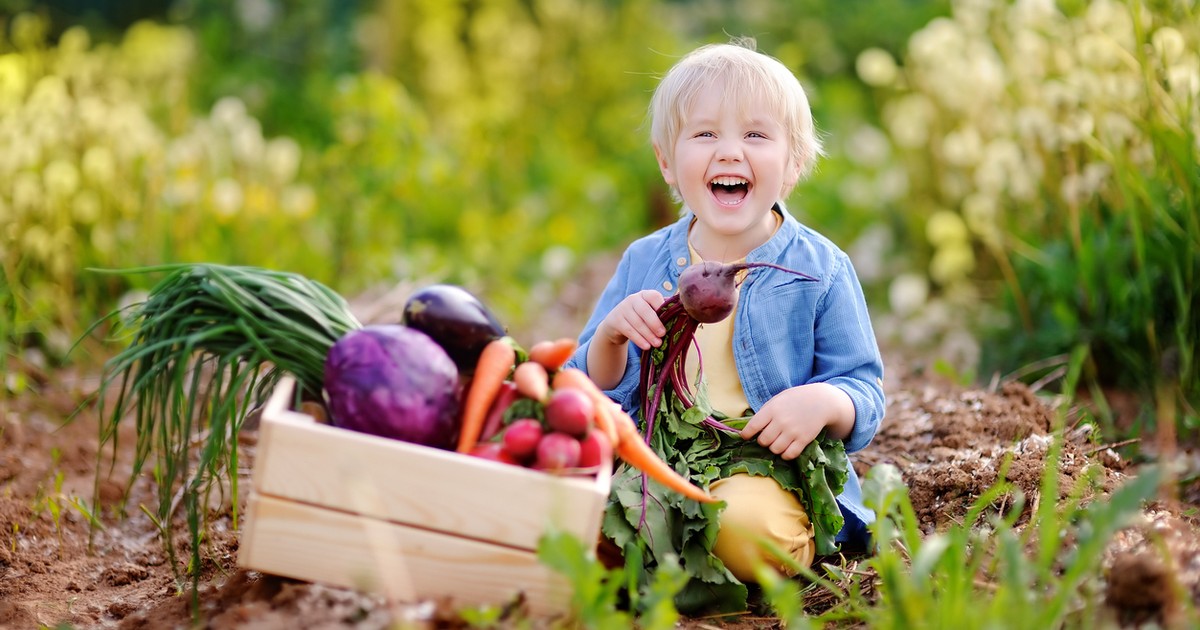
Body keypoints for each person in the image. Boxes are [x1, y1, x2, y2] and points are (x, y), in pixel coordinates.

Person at [566, 38, 885, 600]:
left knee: (744, 527)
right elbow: (588, 386)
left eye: (756, 136)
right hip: (655, 461)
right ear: (667, 162)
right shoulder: (645, 261)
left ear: (793, 164)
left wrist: (823, 403)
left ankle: (715, 550)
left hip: (762, 466)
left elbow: (864, 389)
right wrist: (612, 336)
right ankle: (664, 549)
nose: (731, 153)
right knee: (571, 507)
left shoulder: (820, 268)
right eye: (705, 134)